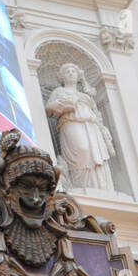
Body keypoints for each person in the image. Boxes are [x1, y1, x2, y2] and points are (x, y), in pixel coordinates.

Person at [46, 62, 115, 190]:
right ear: (62, 77)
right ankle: (81, 186)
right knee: (82, 150)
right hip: (70, 123)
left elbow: (97, 114)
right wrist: (66, 103)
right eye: (68, 72)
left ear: (78, 76)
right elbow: (49, 109)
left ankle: (101, 187)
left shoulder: (85, 95)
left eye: (73, 71)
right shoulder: (59, 91)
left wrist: (103, 130)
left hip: (91, 126)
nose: (71, 73)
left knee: (96, 155)